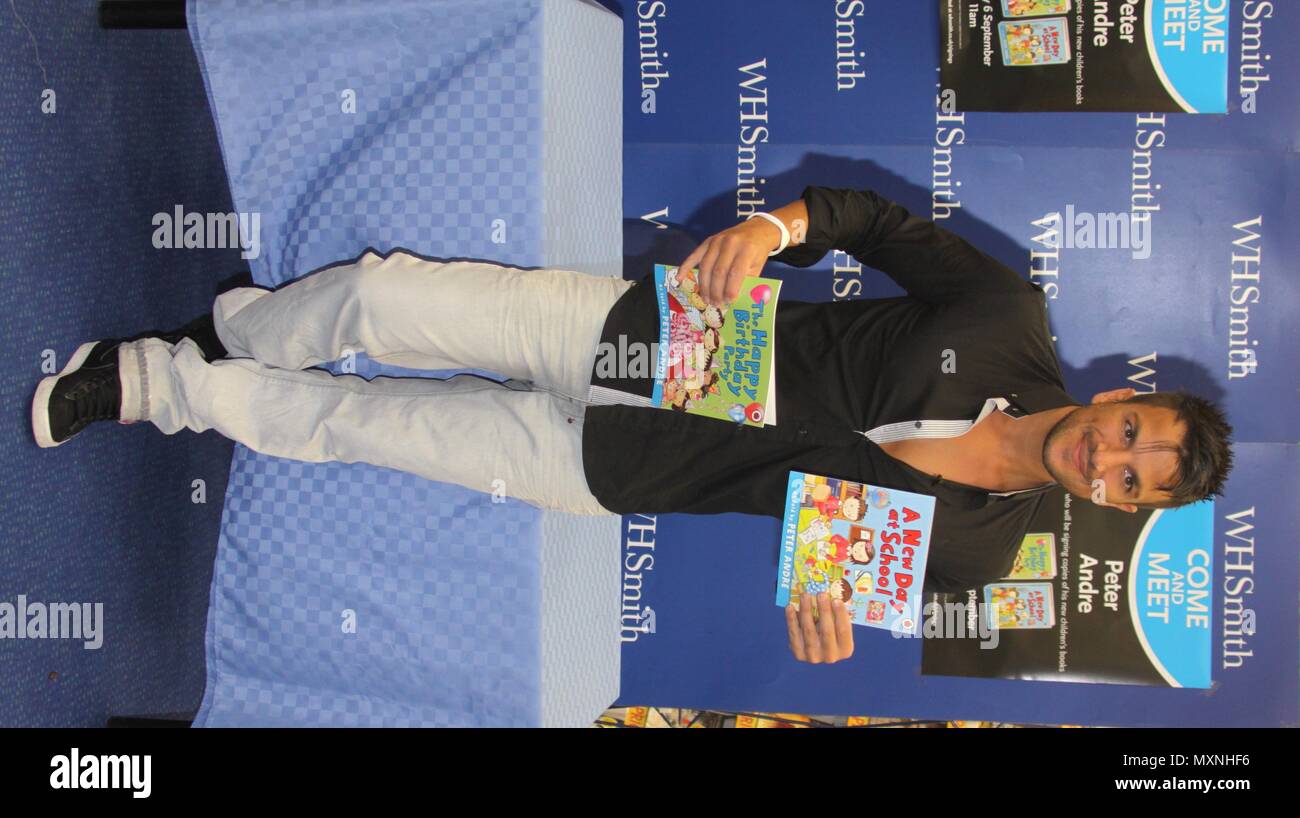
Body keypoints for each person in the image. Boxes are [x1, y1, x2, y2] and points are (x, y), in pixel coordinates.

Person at [31, 186, 1233, 667]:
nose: (1112, 458)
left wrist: (819, 616)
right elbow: (866, 218)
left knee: (365, 426)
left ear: (1118, 510)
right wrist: (774, 231)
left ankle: (150, 385)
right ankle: (241, 328)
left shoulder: (981, 552)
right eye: (1137, 433)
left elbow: (823, 556)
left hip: (629, 468)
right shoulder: (1008, 311)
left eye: (1134, 482)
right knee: (390, 297)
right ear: (1128, 396)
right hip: (665, 340)